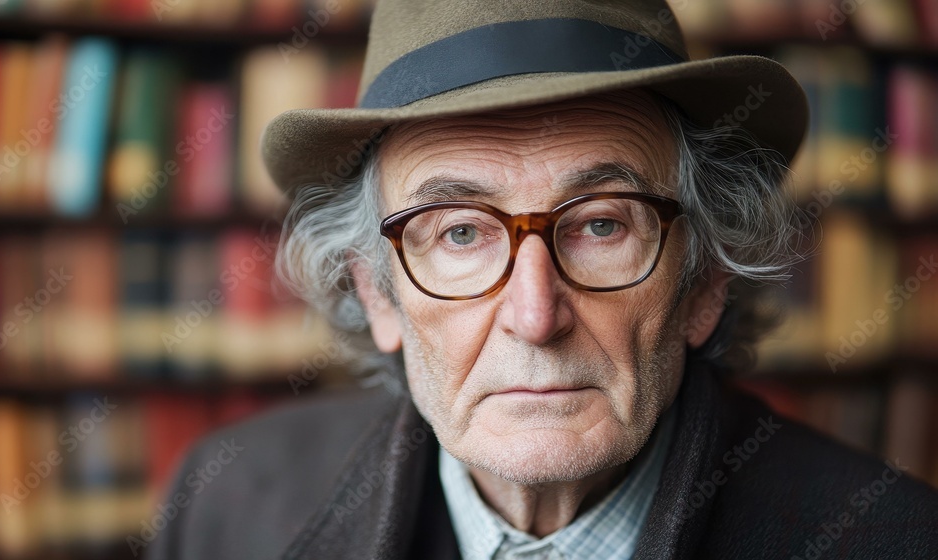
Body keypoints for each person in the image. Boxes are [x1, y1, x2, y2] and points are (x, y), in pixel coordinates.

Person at [148, 1, 938, 559]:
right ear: (377, 293)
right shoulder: (225, 505)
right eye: (459, 232)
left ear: (705, 283)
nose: (534, 315)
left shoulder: (894, 537)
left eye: (601, 224)